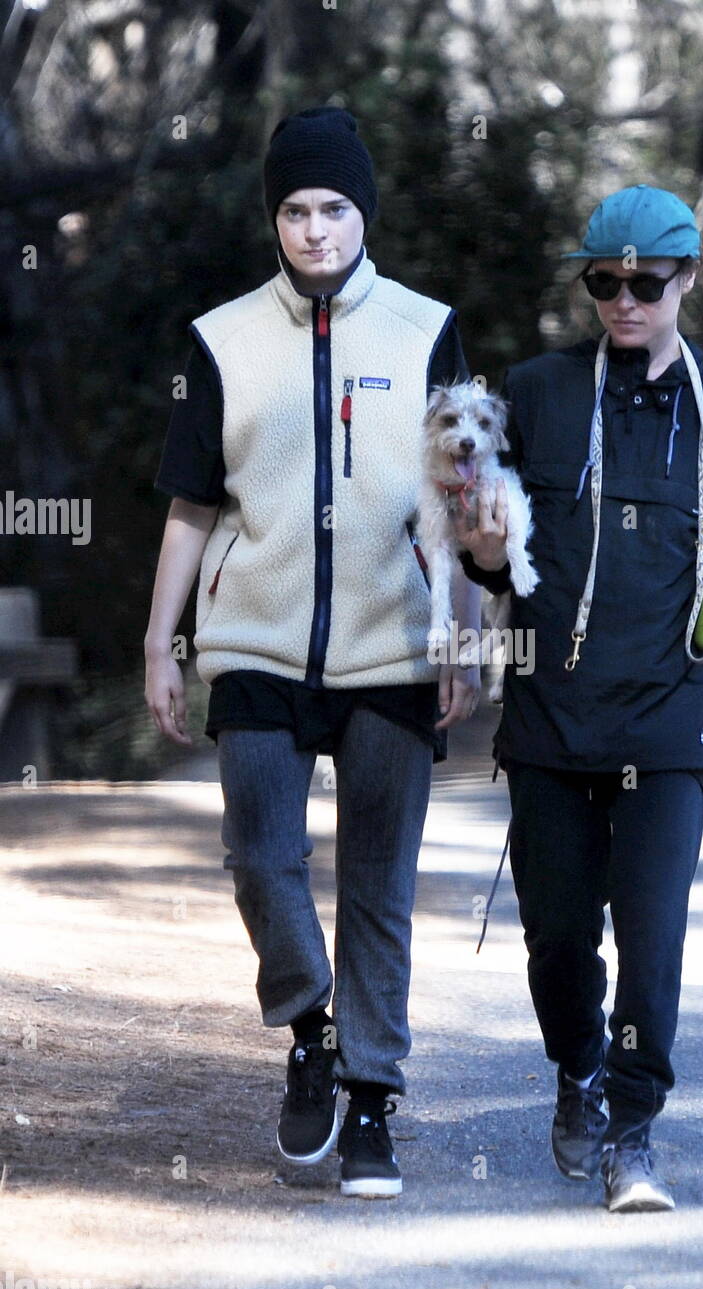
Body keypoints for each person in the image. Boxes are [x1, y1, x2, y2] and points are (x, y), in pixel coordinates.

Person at [144, 106, 479, 1199]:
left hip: (392, 646)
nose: (315, 229)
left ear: (363, 213)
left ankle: (372, 1100)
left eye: (333, 207)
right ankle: (309, 1032)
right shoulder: (221, 339)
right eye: (294, 210)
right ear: (273, 220)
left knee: (378, 885)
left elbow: (455, 493)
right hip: (255, 645)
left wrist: (464, 626)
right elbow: (193, 507)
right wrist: (163, 639)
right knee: (258, 861)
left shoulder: (427, 329)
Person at [456, 185, 703, 1213]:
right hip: (550, 722)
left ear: (687, 277)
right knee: (558, 939)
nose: (621, 301)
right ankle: (576, 1068)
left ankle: (631, 1131)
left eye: (642, 283)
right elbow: (492, 556)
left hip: (665, 726)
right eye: (600, 282)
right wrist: (477, 553)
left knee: (651, 939)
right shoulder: (537, 391)